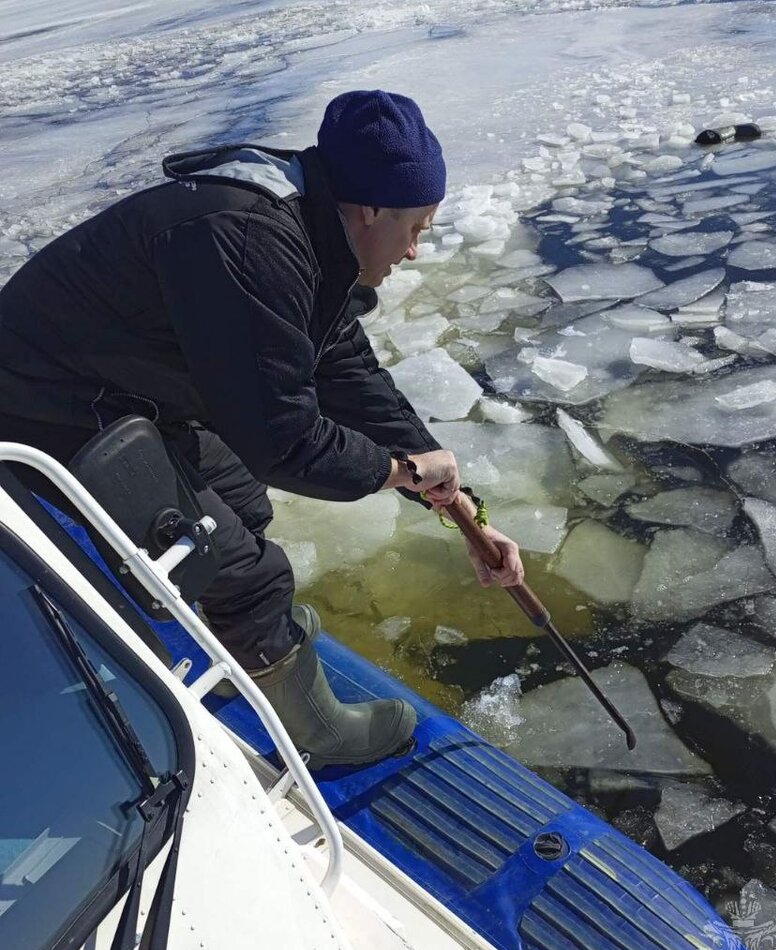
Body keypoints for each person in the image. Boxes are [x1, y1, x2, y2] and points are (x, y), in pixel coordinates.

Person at [0, 89, 524, 770]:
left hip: (125, 390)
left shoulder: (307, 226)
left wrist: (453, 494)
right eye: (417, 227)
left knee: (241, 502)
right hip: (48, 407)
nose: (417, 251)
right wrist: (393, 472)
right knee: (235, 565)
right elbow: (282, 438)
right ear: (370, 211)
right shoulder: (247, 243)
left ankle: (254, 646)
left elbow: (339, 361)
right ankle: (316, 732)